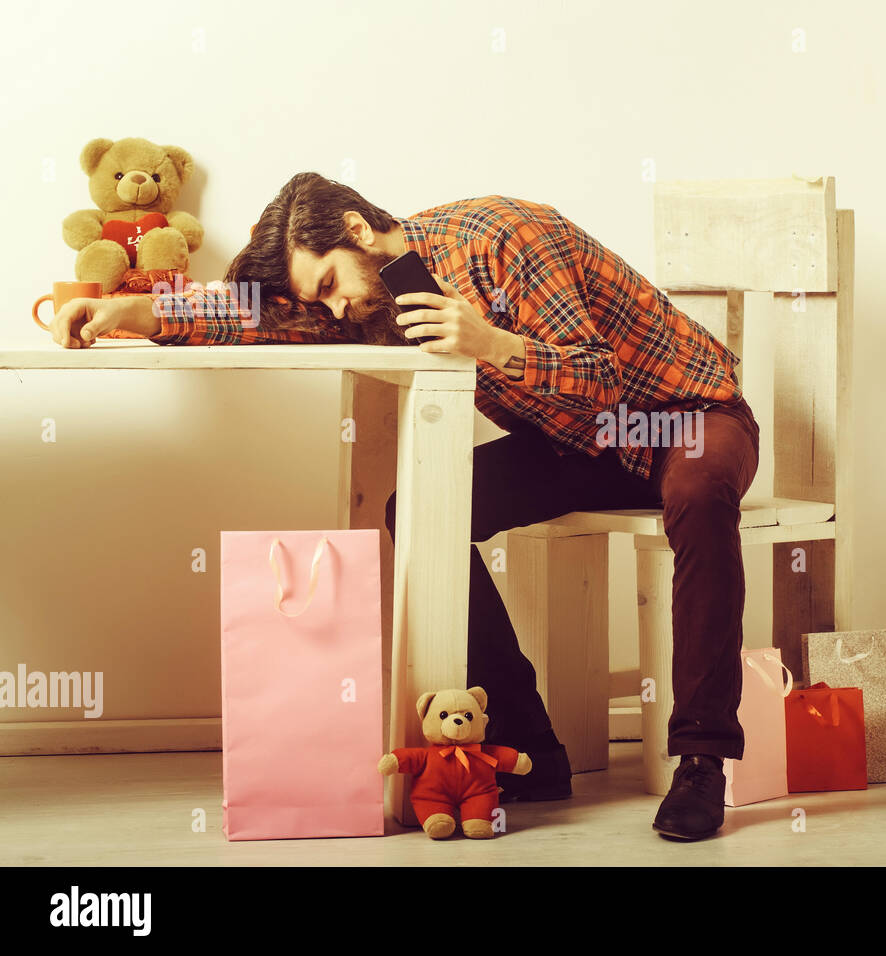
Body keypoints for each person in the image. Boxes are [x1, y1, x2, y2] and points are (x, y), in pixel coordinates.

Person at [48, 172, 760, 841]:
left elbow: (602, 380)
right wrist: (132, 311)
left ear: (358, 228)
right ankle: (532, 753)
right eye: (317, 298)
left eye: (328, 283)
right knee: (422, 506)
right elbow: (257, 316)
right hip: (578, 448)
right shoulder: (379, 296)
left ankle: (701, 761)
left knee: (697, 495)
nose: (331, 308)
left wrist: (492, 343)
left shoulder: (503, 235)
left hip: (681, 418)